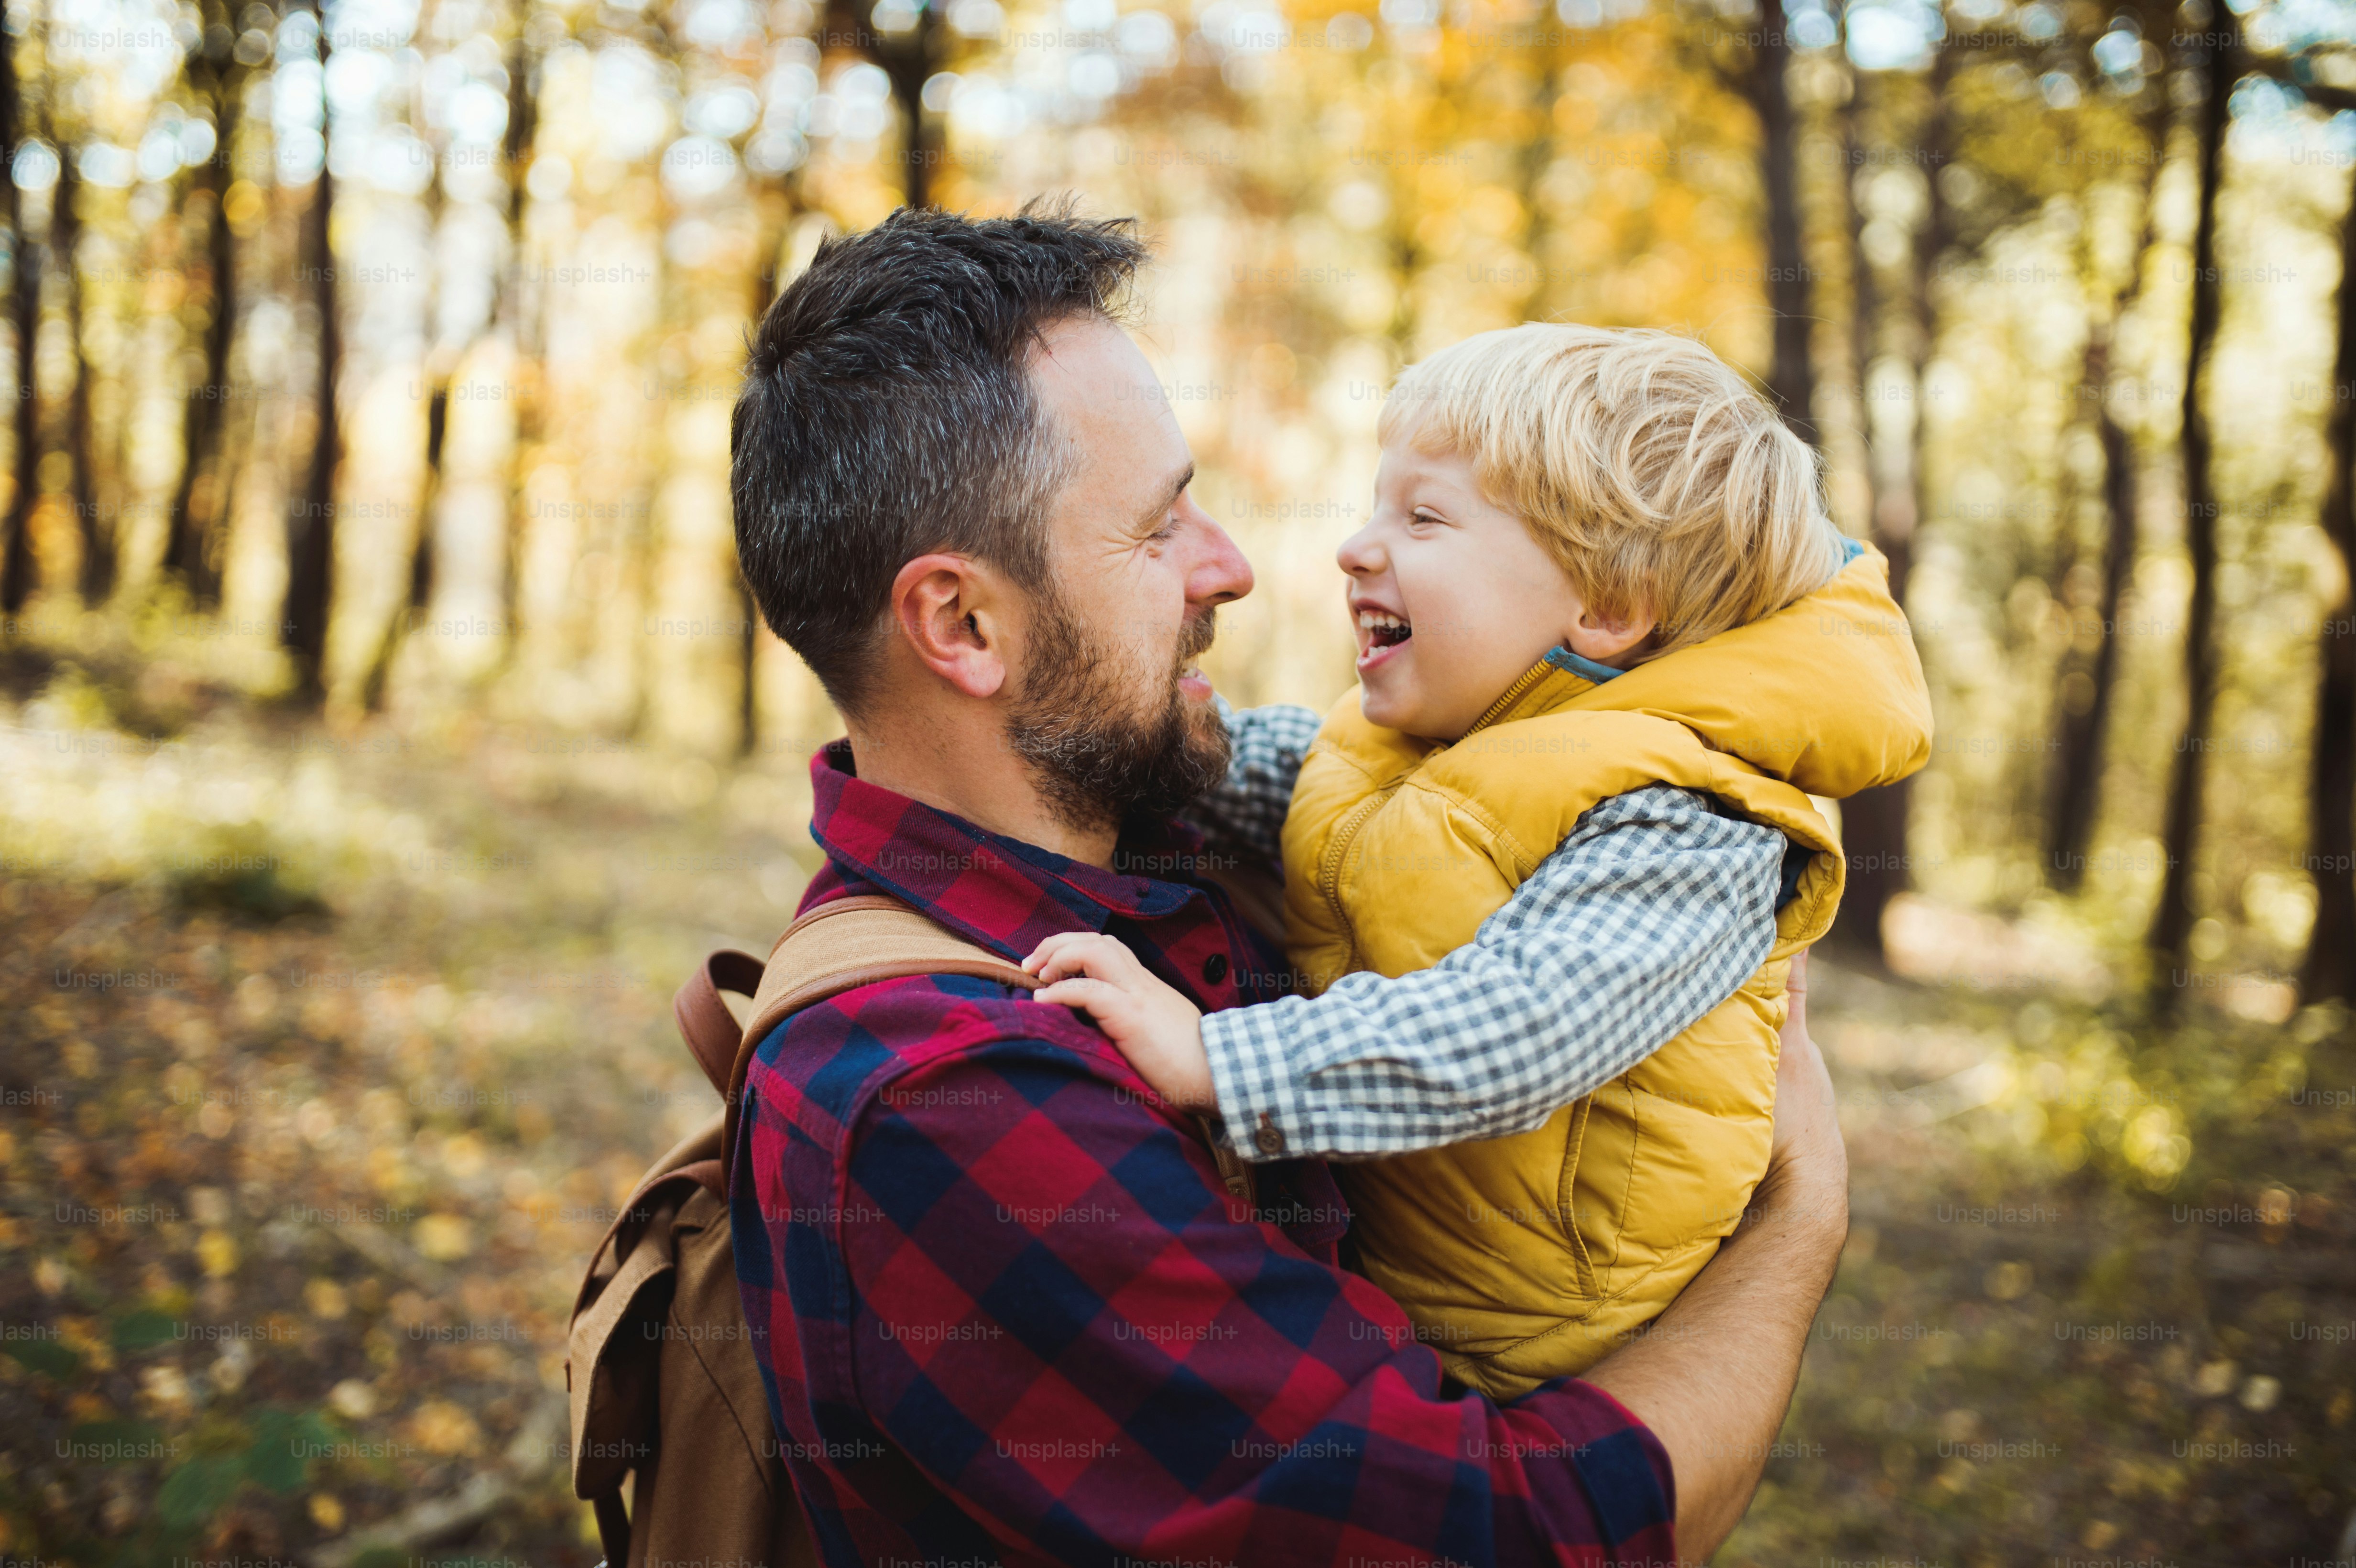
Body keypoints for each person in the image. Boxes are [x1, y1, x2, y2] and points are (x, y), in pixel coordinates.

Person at [726, 202, 1848, 1567]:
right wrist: (1796, 1230)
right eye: (1157, 531)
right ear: (965, 623)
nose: (1240, 566)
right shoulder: (943, 1102)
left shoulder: (1161, 858)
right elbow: (1512, 1536)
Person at [1023, 323, 1931, 1399]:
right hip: (1397, 1277)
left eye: (1423, 517)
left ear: (1605, 606)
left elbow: (1518, 1028)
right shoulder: (1435, 744)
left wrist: (1222, 1062)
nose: (1356, 546)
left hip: (1534, 1352)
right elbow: (1274, 778)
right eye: (1373, 506)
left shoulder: (1690, 820)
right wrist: (1106, 708)